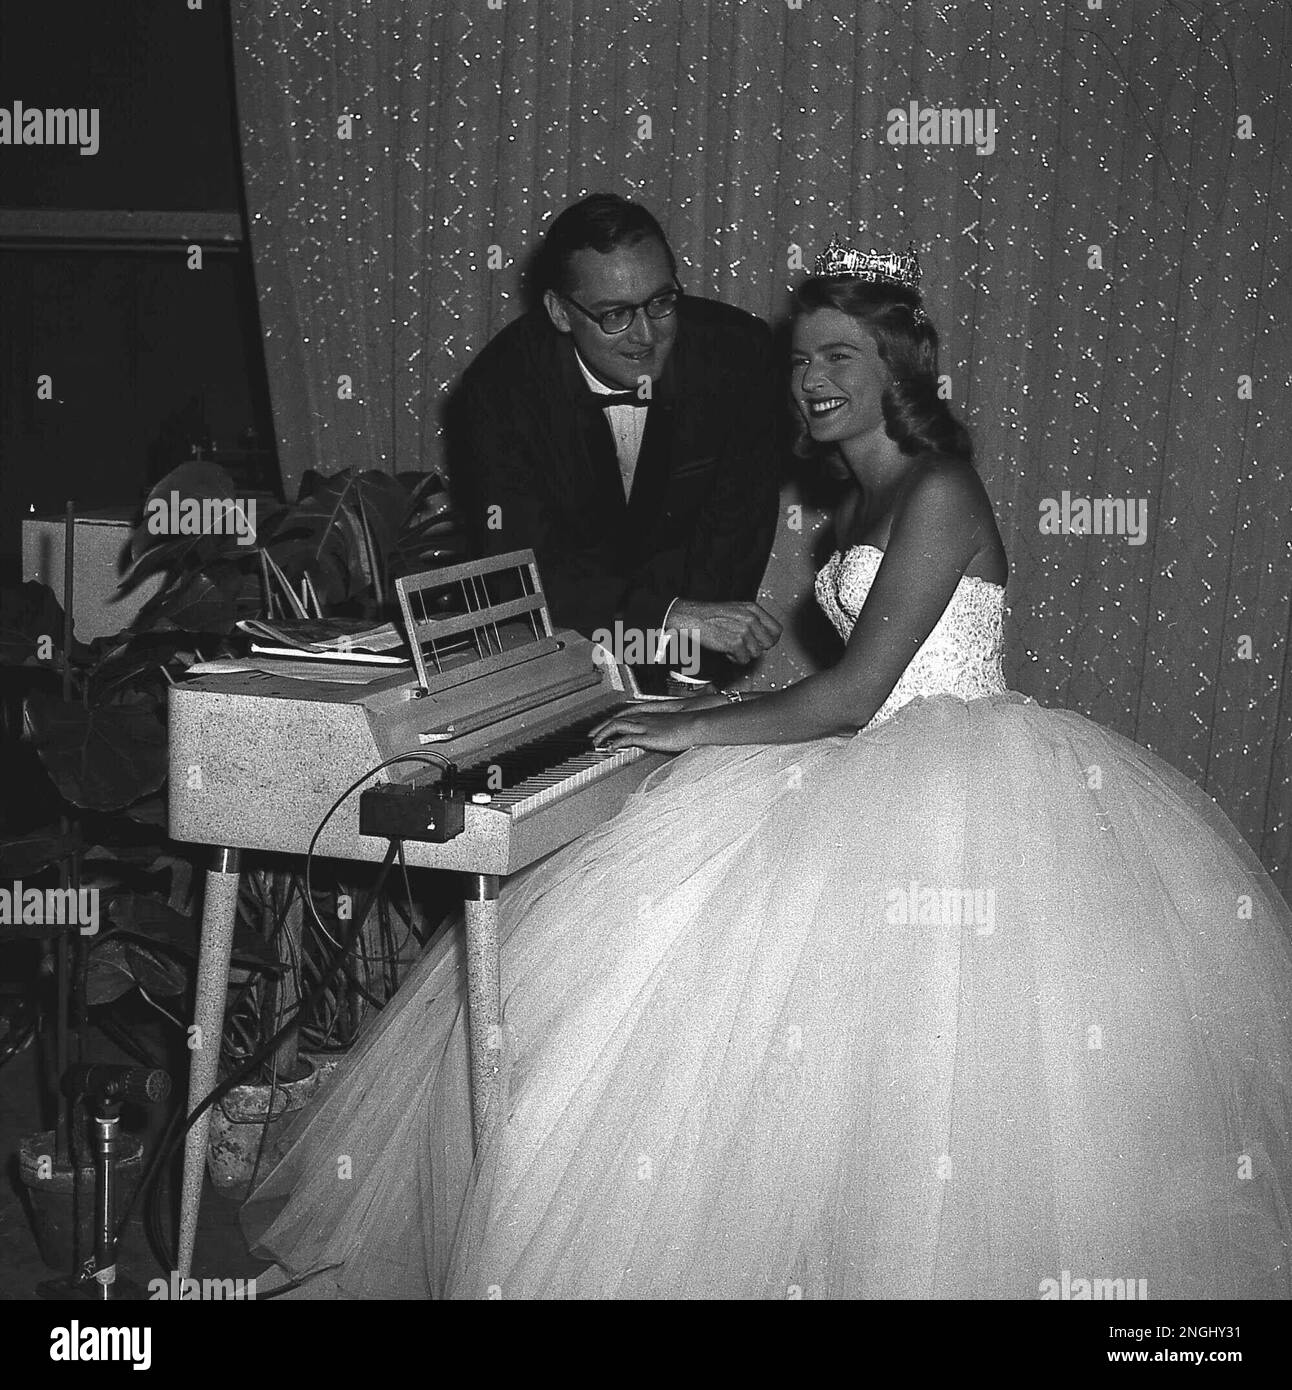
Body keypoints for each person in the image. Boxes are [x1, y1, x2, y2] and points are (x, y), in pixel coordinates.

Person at [244, 235, 1292, 1300]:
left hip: (962, 785)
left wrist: (694, 731)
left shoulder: (936, 489)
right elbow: (853, 690)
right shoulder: (859, 500)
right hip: (886, 761)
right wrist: (702, 708)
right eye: (798, 360)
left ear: (896, 368)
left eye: (839, 357)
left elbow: (854, 695)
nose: (810, 380)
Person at [447, 192, 783, 691]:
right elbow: (520, 569)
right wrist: (663, 619)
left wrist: (687, 685)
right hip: (567, 640)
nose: (645, 335)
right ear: (560, 312)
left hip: (689, 632)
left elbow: (734, 535)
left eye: (661, 302)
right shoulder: (499, 390)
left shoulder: (739, 357)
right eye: (614, 315)